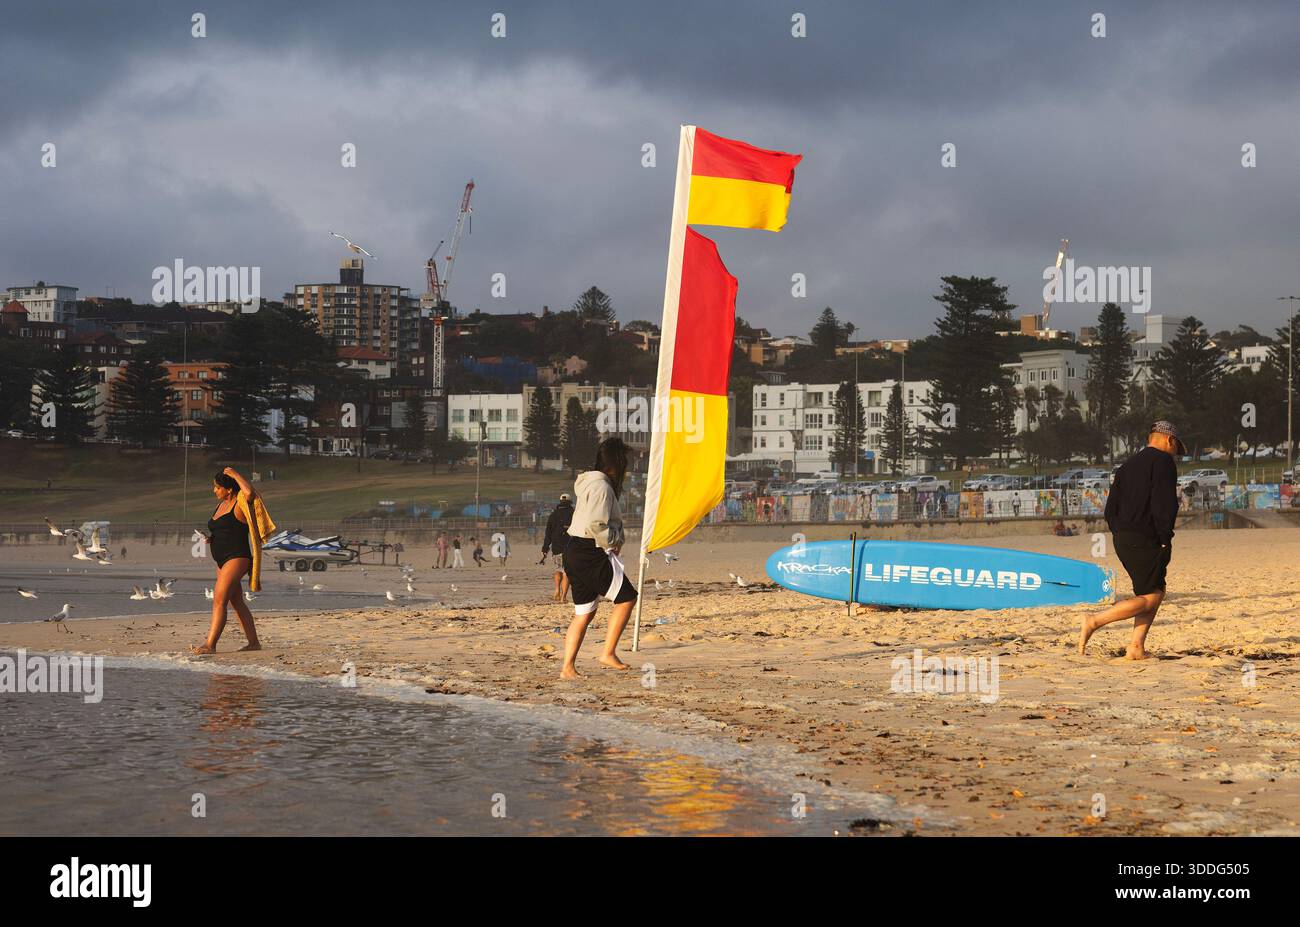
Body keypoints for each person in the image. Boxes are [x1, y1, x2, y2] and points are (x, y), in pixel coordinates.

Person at [1079, 421, 1182, 659]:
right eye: (1177, 448)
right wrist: (1165, 537)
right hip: (1146, 537)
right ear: (1169, 440)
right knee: (1151, 597)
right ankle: (1094, 621)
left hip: (1122, 538)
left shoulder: (1127, 465)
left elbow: (1110, 508)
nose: (1176, 454)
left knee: (1153, 590)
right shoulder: (1163, 462)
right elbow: (1164, 504)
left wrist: (1119, 531)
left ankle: (1136, 647)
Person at [560, 438, 637, 678]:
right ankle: (608, 653)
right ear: (616, 463)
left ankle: (567, 668)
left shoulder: (588, 484)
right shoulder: (602, 487)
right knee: (627, 598)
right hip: (588, 550)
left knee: (584, 612)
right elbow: (596, 524)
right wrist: (613, 542)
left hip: (574, 549)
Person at [192, 467, 276, 655]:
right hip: (221, 560)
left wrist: (235, 474)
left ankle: (210, 645)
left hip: (237, 557)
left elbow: (250, 493)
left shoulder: (240, 503)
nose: (214, 490)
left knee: (218, 601)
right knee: (236, 602)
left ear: (228, 489)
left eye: (217, 487)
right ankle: (254, 643)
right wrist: (211, 538)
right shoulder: (220, 505)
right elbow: (224, 529)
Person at [542, 493, 574, 603]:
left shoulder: (553, 515)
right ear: (570, 503)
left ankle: (556, 589)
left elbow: (548, 533)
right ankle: (563, 597)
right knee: (567, 572)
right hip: (570, 547)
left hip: (556, 547)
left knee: (558, 569)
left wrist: (545, 549)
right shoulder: (574, 514)